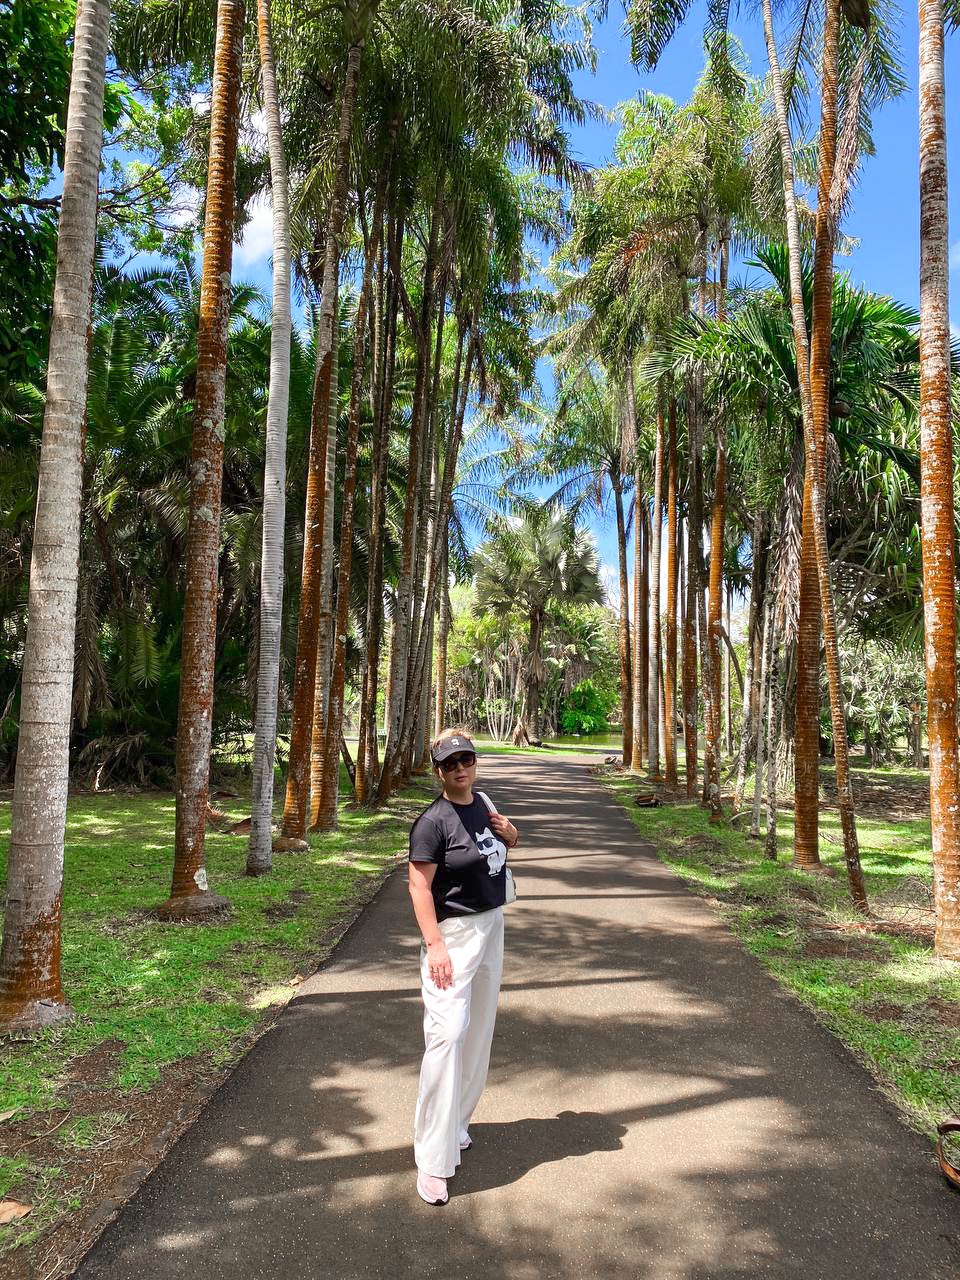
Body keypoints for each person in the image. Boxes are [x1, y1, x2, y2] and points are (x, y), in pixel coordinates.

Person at [408, 728, 519, 1206]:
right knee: (448, 1033)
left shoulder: (483, 802)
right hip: (453, 936)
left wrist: (513, 836)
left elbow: (494, 855)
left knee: (478, 1031)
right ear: (439, 771)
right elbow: (417, 888)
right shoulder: (432, 822)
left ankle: (457, 1124)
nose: (460, 769)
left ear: (475, 763)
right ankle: (432, 1160)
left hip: (491, 925)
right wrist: (434, 946)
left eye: (466, 760)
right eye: (450, 763)